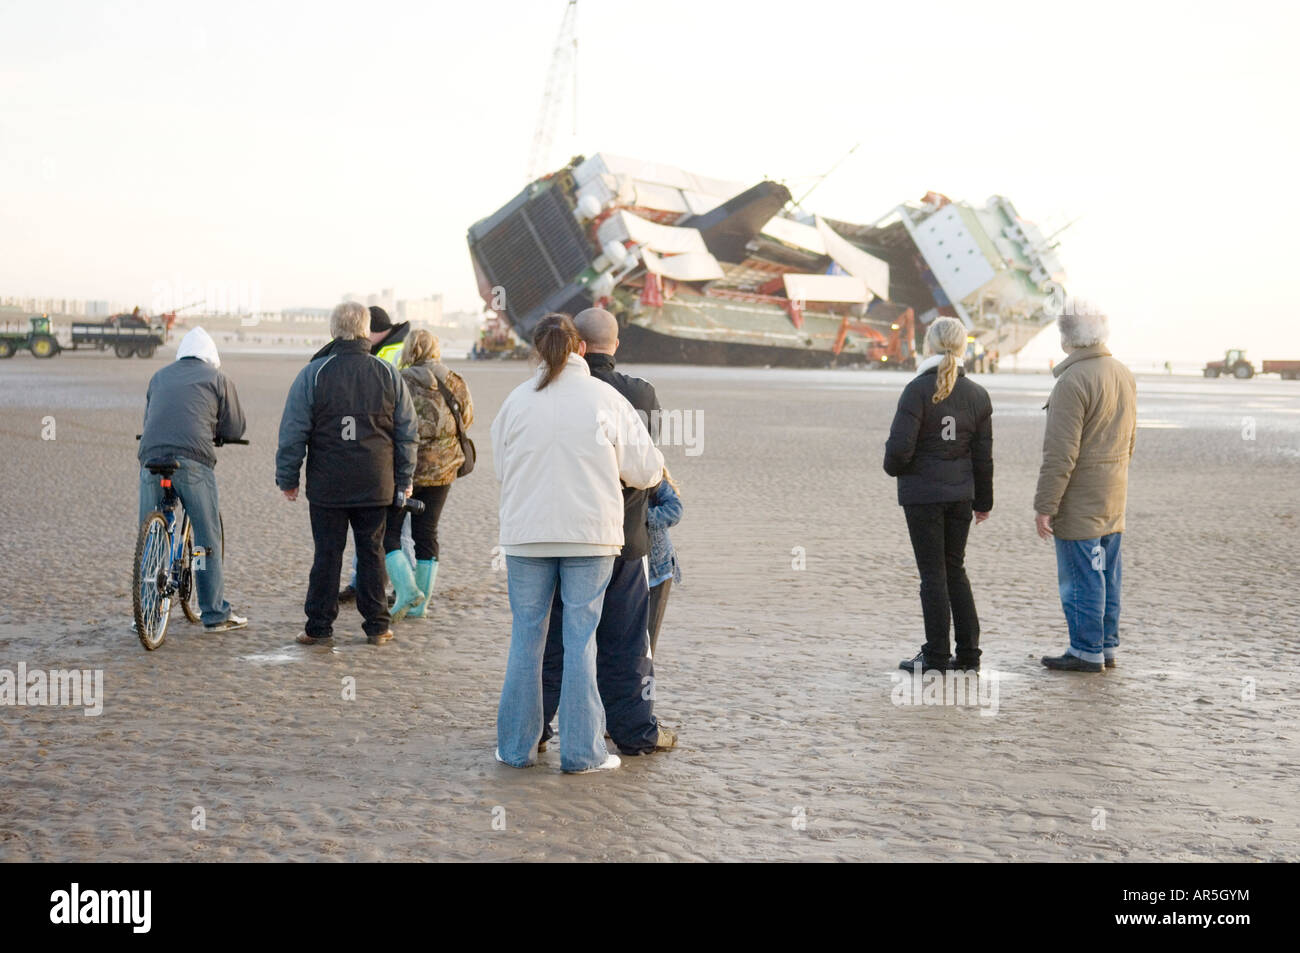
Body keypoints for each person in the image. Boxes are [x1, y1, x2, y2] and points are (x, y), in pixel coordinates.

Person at [491, 313, 664, 773]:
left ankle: (515, 749)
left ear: (536, 350)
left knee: (526, 640)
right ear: (580, 349)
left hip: (527, 537)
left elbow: (502, 467)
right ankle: (582, 753)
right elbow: (646, 471)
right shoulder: (606, 398)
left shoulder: (516, 401)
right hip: (590, 537)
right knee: (580, 641)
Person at [538, 307, 678, 757]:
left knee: (558, 638)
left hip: (564, 533)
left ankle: (537, 727)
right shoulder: (639, 393)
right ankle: (633, 731)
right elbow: (646, 462)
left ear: (576, 342)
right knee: (627, 643)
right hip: (626, 534)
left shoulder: (552, 390)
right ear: (615, 344)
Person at [275, 302, 418, 646]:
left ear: (333, 331)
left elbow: (293, 431)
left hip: (329, 485)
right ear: (366, 331)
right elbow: (407, 432)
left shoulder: (315, 373)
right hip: (375, 482)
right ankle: (377, 626)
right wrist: (405, 478)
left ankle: (319, 627)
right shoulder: (386, 373)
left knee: (327, 554)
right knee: (372, 552)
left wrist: (288, 478)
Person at [883, 316, 994, 673]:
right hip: (960, 496)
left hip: (923, 496)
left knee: (933, 575)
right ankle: (969, 655)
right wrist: (983, 503)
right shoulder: (978, 395)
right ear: (963, 347)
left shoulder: (917, 389)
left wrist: (897, 469)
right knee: (955, 570)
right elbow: (983, 458)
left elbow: (899, 449)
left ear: (930, 346)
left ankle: (935, 656)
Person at [1034, 310, 1137, 673]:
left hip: (1080, 499)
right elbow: (1130, 439)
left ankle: (1085, 650)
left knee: (1082, 577)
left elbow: (1061, 454)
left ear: (1068, 340)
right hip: (1114, 492)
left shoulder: (1072, 381)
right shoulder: (1123, 373)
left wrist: (1045, 506)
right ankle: (1105, 646)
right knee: (1107, 574)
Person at [137, 326, 247, 632]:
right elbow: (235, 427)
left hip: (151, 457)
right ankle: (214, 614)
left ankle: (145, 613)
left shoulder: (159, 376)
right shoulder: (218, 379)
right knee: (205, 538)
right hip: (192, 461)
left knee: (150, 538)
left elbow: (149, 419)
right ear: (211, 356)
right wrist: (219, 434)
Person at [383, 329, 474, 620]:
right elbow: (467, 417)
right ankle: (420, 606)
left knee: (390, 533)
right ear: (436, 349)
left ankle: (407, 590)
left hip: (403, 470)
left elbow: (388, 422)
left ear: (409, 350)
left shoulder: (399, 380)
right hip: (443, 470)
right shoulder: (454, 380)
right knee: (427, 533)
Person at [326, 306, 414, 603]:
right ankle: (363, 585)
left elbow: (403, 416)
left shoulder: (392, 355)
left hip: (387, 453)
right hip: (380, 454)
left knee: (396, 532)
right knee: (375, 534)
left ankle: (402, 587)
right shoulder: (384, 350)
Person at [646, 468, 682, 658]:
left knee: (649, 642)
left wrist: (640, 517)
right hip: (630, 568)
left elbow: (675, 510)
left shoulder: (653, 477)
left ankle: (646, 684)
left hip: (659, 570)